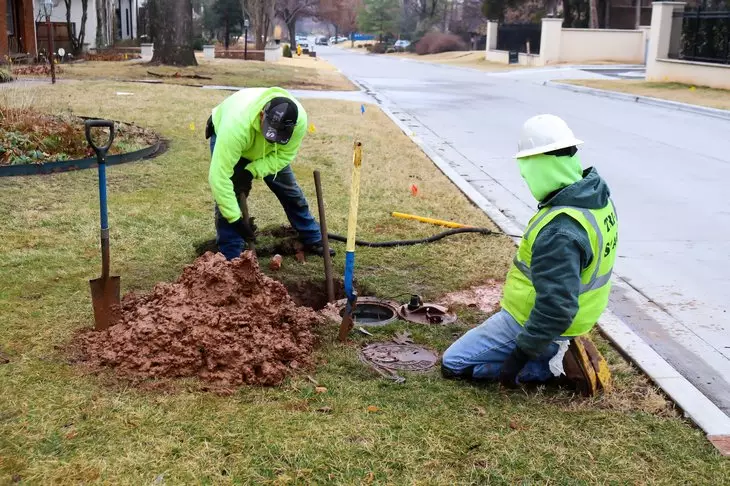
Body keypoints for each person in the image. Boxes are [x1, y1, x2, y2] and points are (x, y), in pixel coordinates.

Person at [441, 114, 618, 395]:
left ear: (542, 166)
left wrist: (518, 359)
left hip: (536, 321)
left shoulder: (561, 231)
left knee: (454, 363)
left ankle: (548, 364)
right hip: (578, 318)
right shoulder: (594, 196)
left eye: (527, 172)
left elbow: (556, 307)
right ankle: (552, 349)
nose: (526, 180)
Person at [206, 87, 334, 260]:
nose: (271, 138)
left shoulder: (299, 121)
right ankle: (232, 257)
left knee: (290, 192)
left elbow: (284, 155)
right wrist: (235, 219)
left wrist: (252, 170)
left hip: (269, 154)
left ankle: (312, 237)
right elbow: (219, 178)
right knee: (231, 197)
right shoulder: (235, 126)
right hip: (235, 140)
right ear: (261, 115)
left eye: (277, 135)